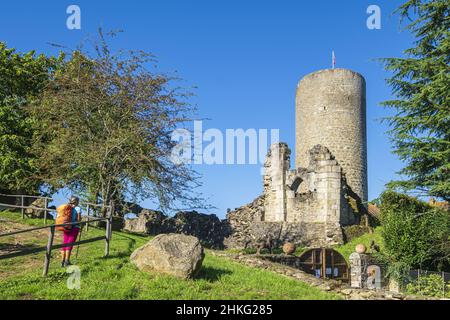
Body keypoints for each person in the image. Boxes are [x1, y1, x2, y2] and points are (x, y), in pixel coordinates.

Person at [61, 196, 81, 267]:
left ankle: (62, 261)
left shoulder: (67, 207)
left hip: (66, 227)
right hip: (74, 227)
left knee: (65, 243)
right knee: (70, 244)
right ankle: (67, 261)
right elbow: (78, 219)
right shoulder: (78, 208)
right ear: (76, 202)